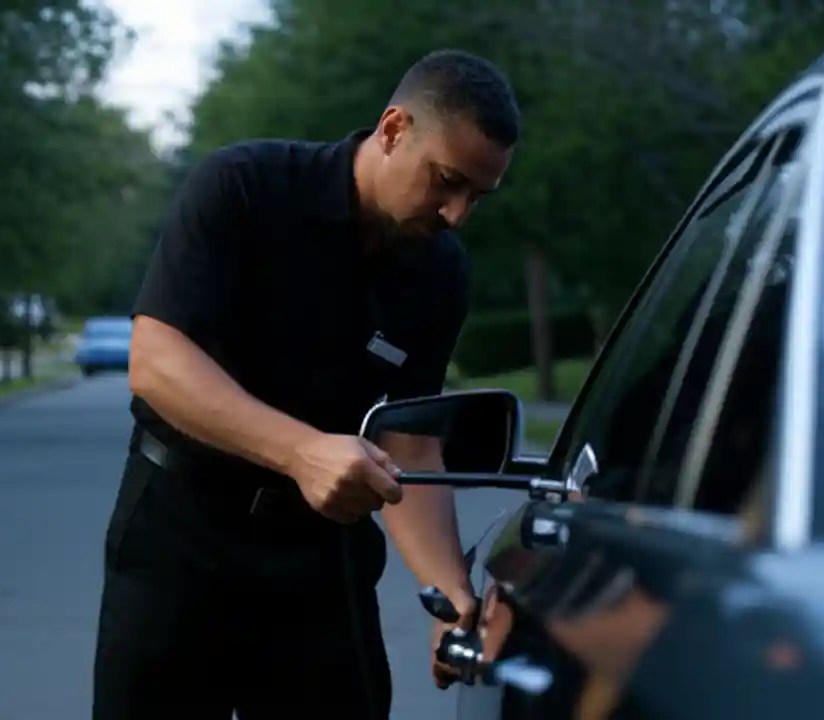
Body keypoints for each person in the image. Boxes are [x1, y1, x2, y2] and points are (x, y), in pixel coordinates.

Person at [92, 49, 519, 719]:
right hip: (181, 537)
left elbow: (409, 445)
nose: (456, 213)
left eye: (476, 197)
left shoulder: (440, 271)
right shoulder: (244, 185)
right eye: (446, 181)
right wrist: (301, 452)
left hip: (324, 559)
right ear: (392, 129)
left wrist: (453, 596)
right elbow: (157, 360)